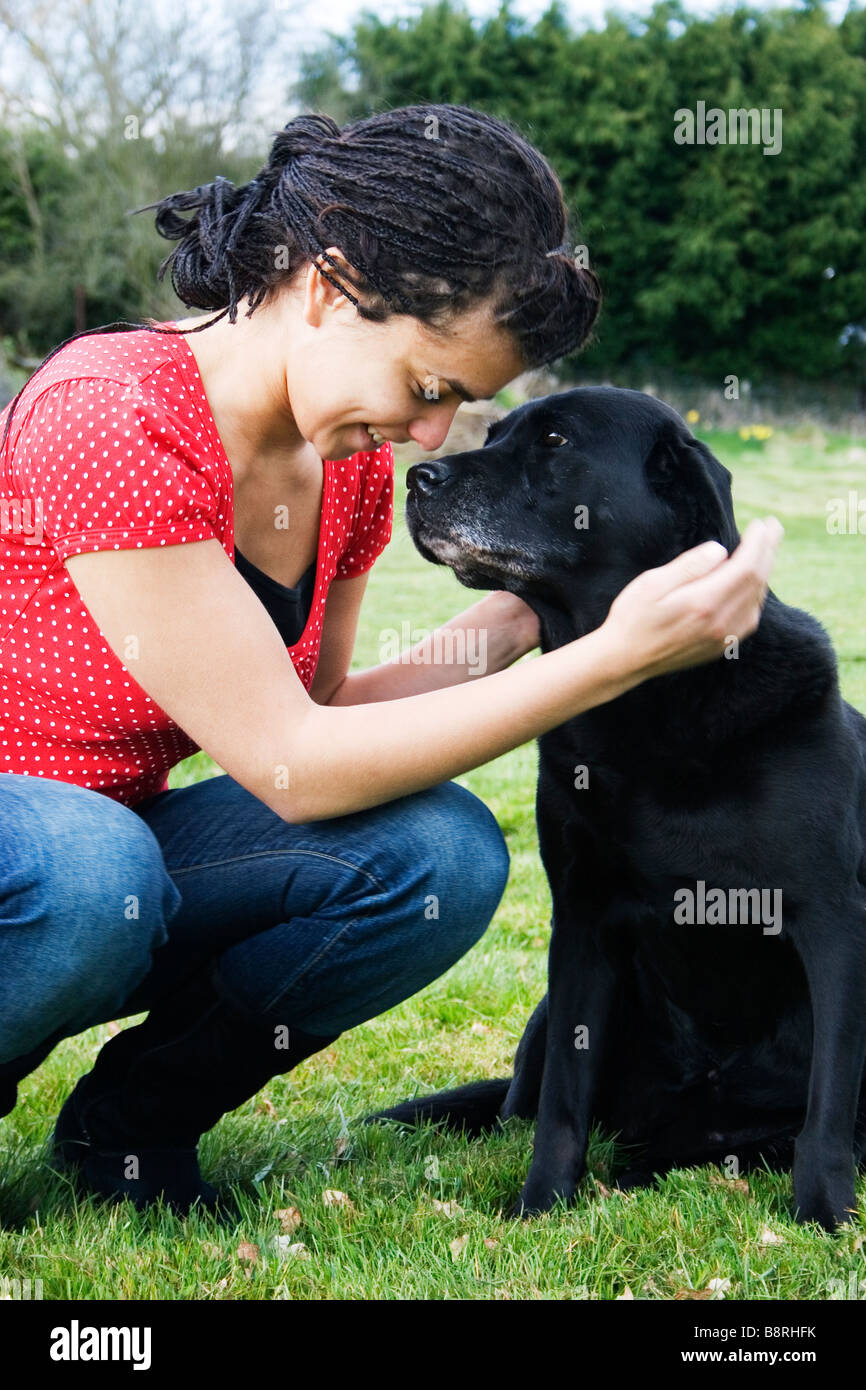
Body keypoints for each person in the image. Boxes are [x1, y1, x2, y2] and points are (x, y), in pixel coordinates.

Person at [0, 103, 782, 1215]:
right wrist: (608, 661)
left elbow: (323, 712)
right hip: (46, 863)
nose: (429, 436)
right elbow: (291, 766)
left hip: (99, 856)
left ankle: (132, 1133)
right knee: (92, 868)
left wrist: (523, 621)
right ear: (327, 287)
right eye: (428, 387)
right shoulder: (114, 415)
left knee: (436, 851)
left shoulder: (344, 466)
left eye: (459, 405)